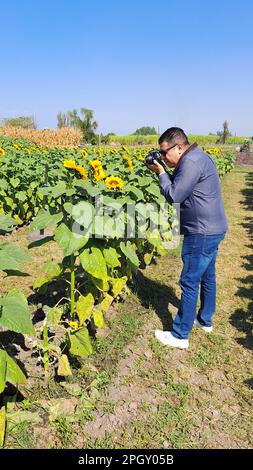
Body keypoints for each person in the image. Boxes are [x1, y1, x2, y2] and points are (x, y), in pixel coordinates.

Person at [147, 127, 228, 349]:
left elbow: (174, 195)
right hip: (213, 228)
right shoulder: (198, 157)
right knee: (207, 275)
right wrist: (165, 170)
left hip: (201, 231)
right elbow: (184, 185)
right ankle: (204, 320)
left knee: (190, 280)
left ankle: (180, 334)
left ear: (179, 147)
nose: (163, 157)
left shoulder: (190, 163)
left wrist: (161, 174)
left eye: (165, 153)